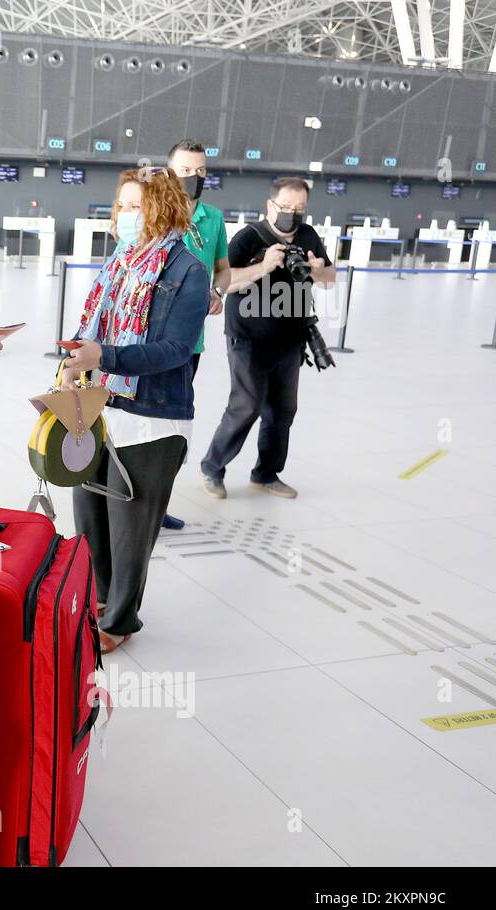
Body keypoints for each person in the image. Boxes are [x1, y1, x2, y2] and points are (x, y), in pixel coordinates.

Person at [58, 167, 208, 653]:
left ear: (162, 207)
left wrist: (107, 356)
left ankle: (118, 619)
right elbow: (96, 327)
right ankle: (96, 601)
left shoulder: (187, 269)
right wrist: (78, 362)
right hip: (99, 404)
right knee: (89, 511)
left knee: (129, 530)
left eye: (135, 206)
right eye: (120, 205)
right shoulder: (120, 261)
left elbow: (176, 349)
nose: (123, 215)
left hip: (153, 416)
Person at [200, 177, 335, 500]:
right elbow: (224, 282)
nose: (292, 213)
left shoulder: (307, 236)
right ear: (270, 206)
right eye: (286, 207)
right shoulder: (249, 237)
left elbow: (330, 280)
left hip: (291, 339)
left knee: (283, 410)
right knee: (245, 406)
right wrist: (264, 265)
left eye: (299, 208)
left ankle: (266, 473)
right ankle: (212, 469)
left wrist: (317, 270)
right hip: (247, 338)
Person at [161, 139, 232, 530]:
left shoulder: (213, 219)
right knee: (142, 425)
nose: (194, 177)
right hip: (147, 338)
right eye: (186, 170)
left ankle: (157, 504)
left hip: (190, 343)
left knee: (176, 425)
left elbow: (223, 268)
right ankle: (133, 504)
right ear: (169, 172)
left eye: (200, 170)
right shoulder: (152, 212)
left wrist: (218, 292)